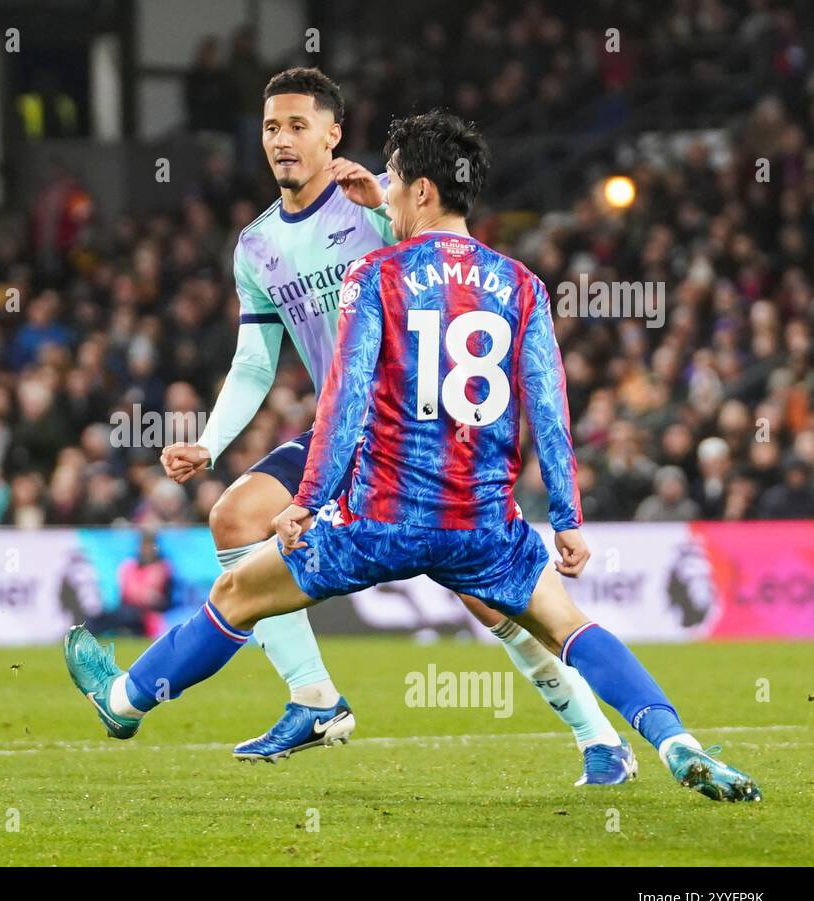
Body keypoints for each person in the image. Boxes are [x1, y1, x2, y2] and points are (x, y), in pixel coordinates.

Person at [67, 110, 760, 803]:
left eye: (393, 180)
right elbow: (550, 411)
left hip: (378, 517)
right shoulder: (521, 285)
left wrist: (306, 502)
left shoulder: (376, 275)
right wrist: (569, 518)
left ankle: (126, 701)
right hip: (481, 523)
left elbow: (342, 404)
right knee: (571, 626)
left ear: (423, 191)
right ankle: (677, 744)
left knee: (235, 593)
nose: (385, 194)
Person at [146, 67, 629, 784]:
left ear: (332, 133)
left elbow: (463, 259)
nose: (282, 140)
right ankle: (313, 697)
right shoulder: (256, 247)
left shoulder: (378, 208)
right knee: (235, 516)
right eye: (271, 127)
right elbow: (254, 362)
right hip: (342, 432)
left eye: (298, 125)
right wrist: (210, 444)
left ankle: (598, 737)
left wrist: (380, 194)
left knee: (490, 602)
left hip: (421, 433)